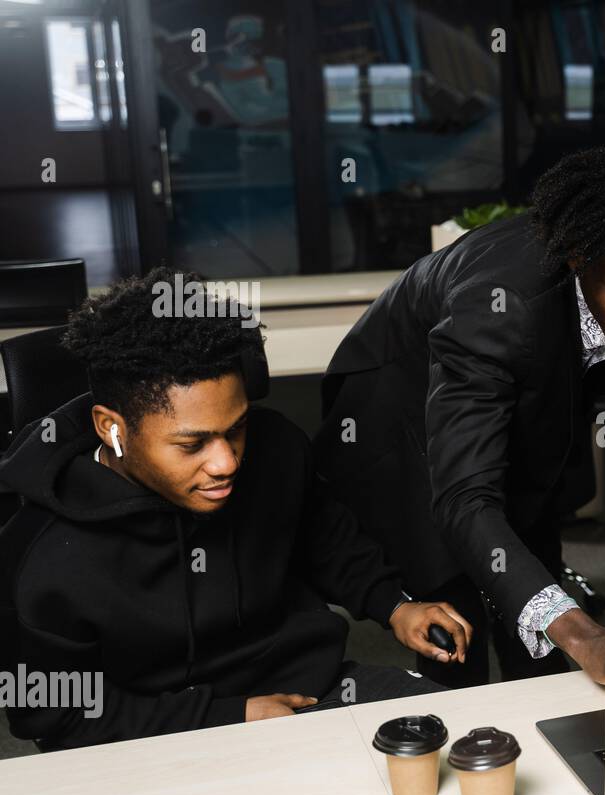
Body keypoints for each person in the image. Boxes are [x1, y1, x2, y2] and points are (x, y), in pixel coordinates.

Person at [314, 142, 605, 687]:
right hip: (394, 428)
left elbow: (562, 398)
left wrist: (553, 607)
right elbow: (464, 497)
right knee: (455, 609)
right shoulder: (500, 312)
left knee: (530, 578)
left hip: (499, 395)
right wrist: (582, 633)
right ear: (581, 260)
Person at [0, 270, 470, 751]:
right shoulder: (44, 555)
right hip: (150, 738)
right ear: (112, 429)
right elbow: (56, 717)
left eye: (237, 428)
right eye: (192, 444)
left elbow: (324, 542)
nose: (226, 462)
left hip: (312, 695)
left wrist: (393, 603)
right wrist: (229, 716)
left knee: (454, 745)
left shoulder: (278, 451)